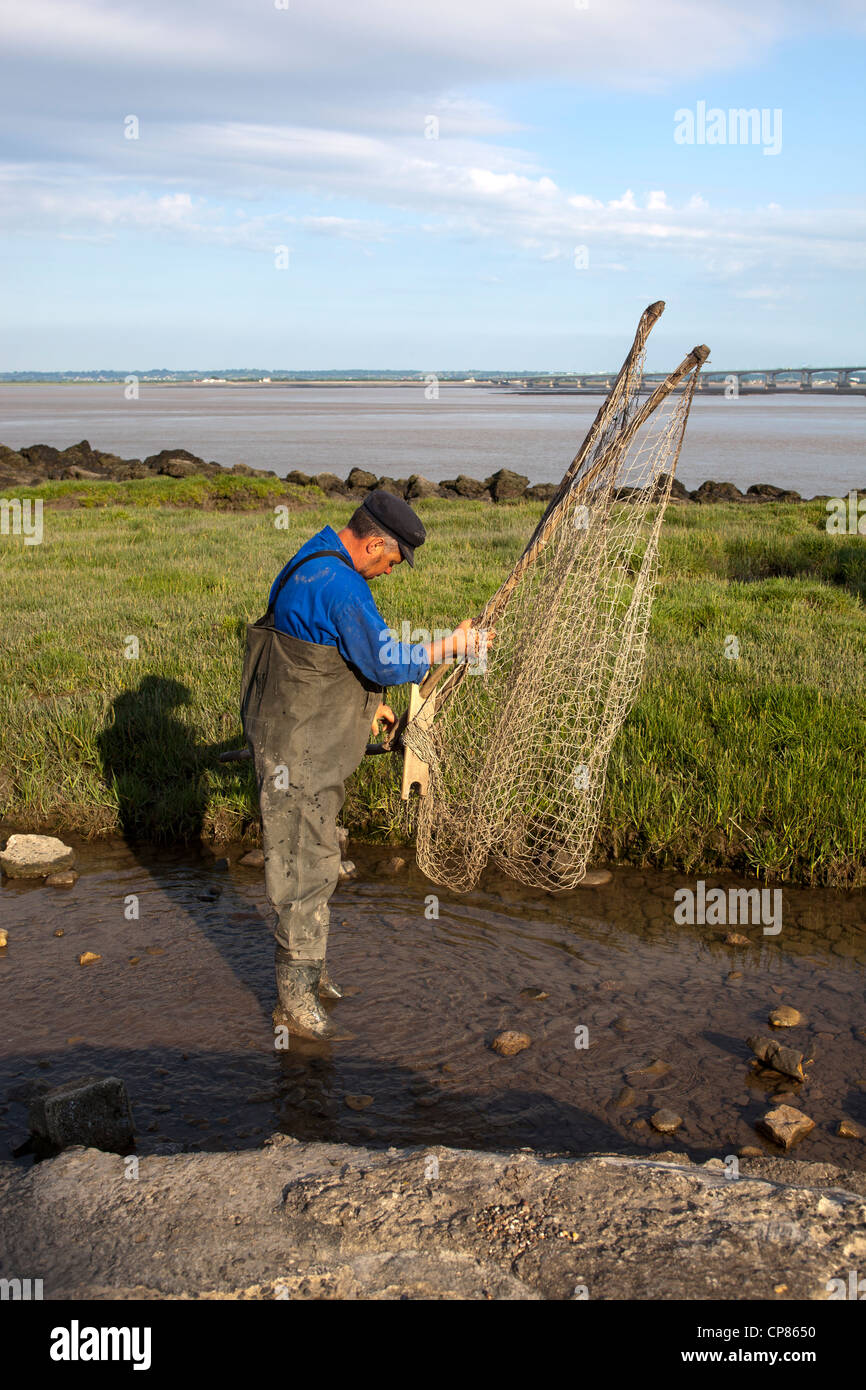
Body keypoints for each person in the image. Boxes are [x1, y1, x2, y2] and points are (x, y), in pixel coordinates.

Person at [240, 489, 494, 1040]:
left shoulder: (314, 556)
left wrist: (368, 704)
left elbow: (318, 651)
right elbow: (382, 657)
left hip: (296, 733)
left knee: (322, 854)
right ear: (375, 542)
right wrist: (450, 647)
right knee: (300, 868)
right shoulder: (343, 585)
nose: (388, 572)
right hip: (298, 753)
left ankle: (314, 974)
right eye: (391, 561)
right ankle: (294, 1002)